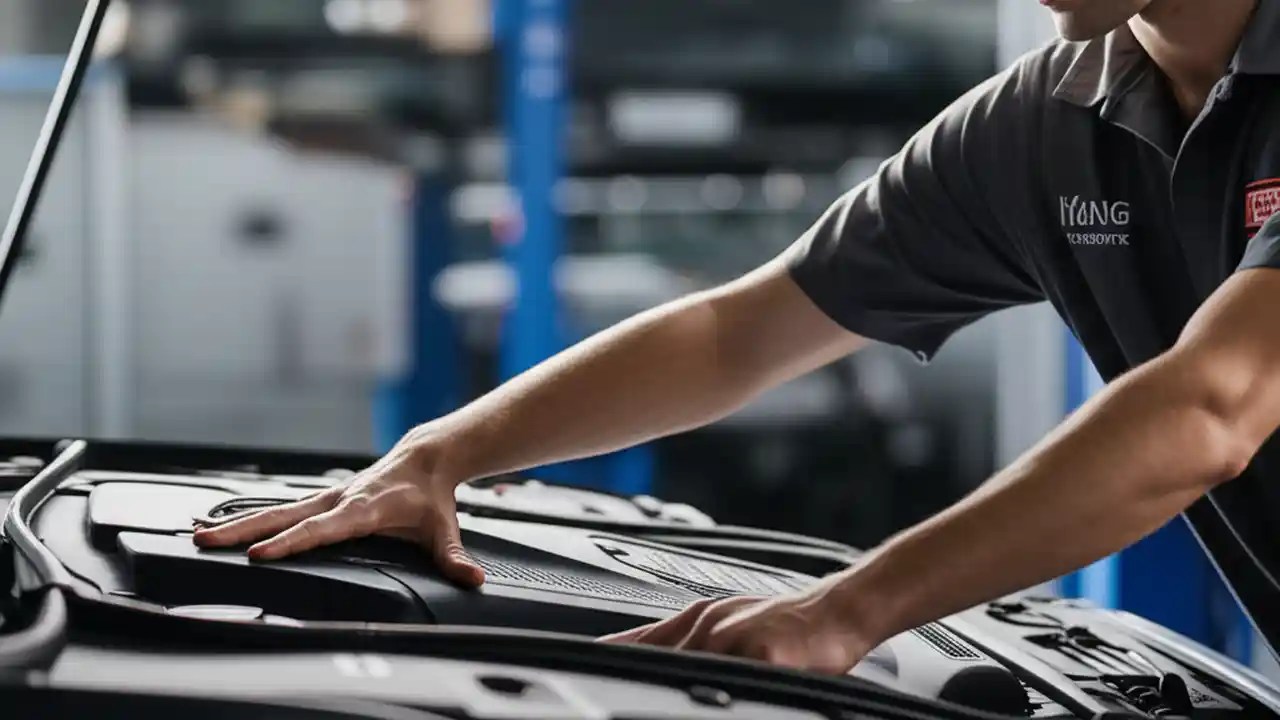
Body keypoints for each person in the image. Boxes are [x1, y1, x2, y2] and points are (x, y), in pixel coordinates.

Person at [195, 0, 1280, 676]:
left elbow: (1209, 408)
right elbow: (740, 331)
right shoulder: (1047, 122)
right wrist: (440, 455)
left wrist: (846, 613)